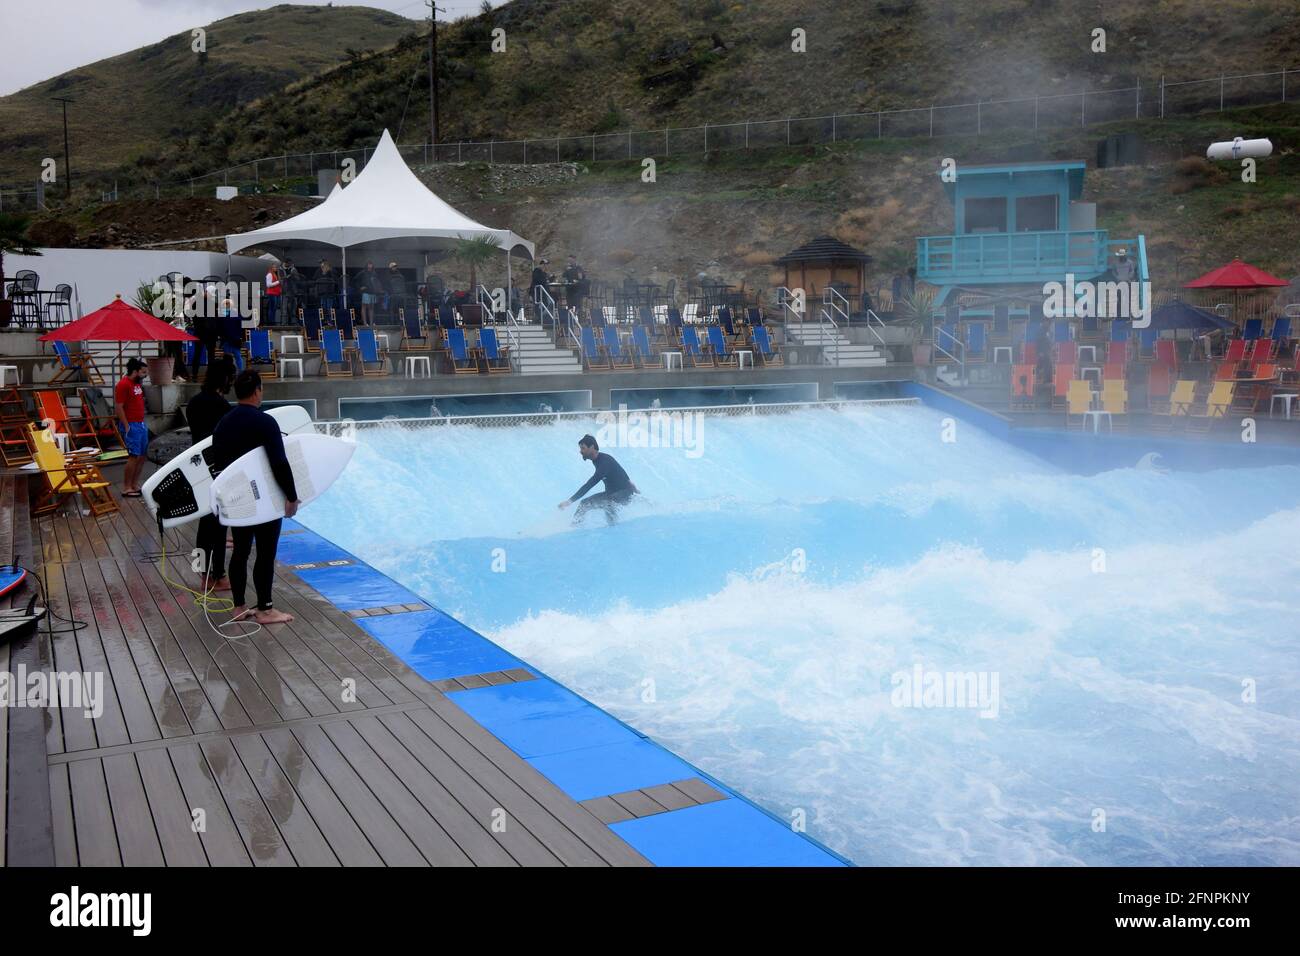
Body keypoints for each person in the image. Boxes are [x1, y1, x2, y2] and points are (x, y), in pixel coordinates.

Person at [210, 370, 299, 625]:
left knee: (240, 551)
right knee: (265, 552)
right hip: (264, 500)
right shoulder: (265, 422)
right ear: (257, 390)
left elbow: (219, 467)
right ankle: (265, 609)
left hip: (237, 500)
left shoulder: (223, 424)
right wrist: (291, 496)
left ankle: (238, 606)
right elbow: (279, 463)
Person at [185, 357, 235, 591]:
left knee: (204, 525)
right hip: (219, 469)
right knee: (218, 525)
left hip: (198, 470)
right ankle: (219, 575)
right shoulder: (221, 406)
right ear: (225, 379)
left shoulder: (194, 403)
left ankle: (202, 575)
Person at [558, 434, 638, 525]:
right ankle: (575, 527)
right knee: (585, 504)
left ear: (592, 447)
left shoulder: (604, 462)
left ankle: (612, 527)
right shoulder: (598, 460)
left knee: (607, 502)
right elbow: (618, 470)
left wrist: (569, 501)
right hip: (614, 493)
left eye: (583, 448)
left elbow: (589, 484)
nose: (581, 451)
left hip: (623, 494)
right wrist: (629, 482)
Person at [115, 358, 149, 497]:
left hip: (141, 423)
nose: (145, 375)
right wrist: (126, 426)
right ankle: (127, 486)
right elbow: (119, 407)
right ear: (135, 371)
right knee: (134, 456)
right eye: (143, 372)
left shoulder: (137, 384)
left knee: (142, 456)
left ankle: (134, 484)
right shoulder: (123, 384)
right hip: (131, 425)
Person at [359, 261, 380, 325]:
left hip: (372, 292)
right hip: (365, 292)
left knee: (371, 308)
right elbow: (355, 280)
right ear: (367, 265)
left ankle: (371, 323)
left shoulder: (374, 273)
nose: (370, 266)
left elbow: (377, 283)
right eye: (369, 264)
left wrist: (377, 289)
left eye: (371, 264)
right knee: (364, 307)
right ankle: (365, 323)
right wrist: (360, 287)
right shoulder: (363, 272)